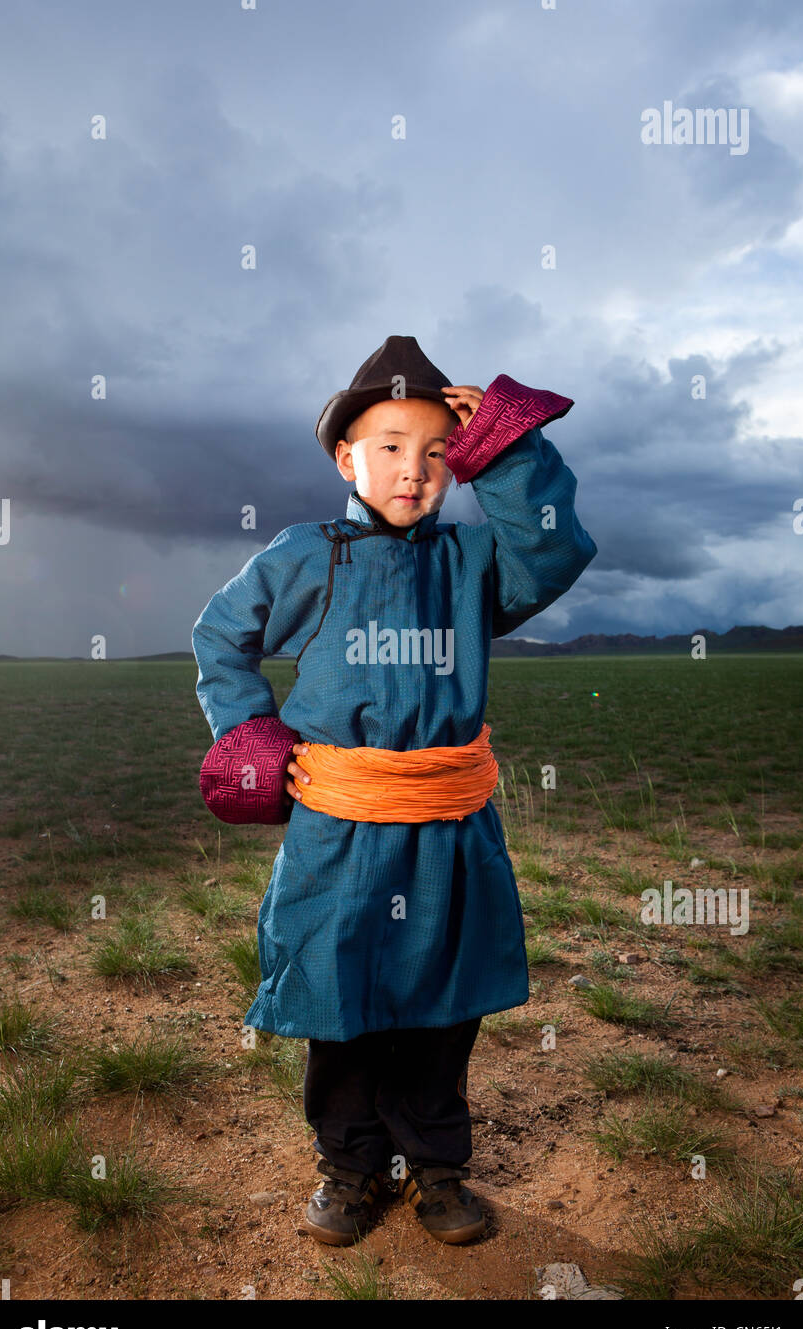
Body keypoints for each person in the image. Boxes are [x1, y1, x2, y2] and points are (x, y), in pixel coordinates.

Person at [191, 336, 597, 1247]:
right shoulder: (307, 554)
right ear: (345, 456)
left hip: (449, 823)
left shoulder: (473, 566)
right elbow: (222, 638)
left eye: (439, 452)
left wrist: (511, 447)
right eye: (387, 447)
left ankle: (440, 1171)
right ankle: (349, 1169)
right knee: (340, 998)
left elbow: (555, 548)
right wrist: (254, 738)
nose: (413, 472)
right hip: (341, 824)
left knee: (442, 1001)